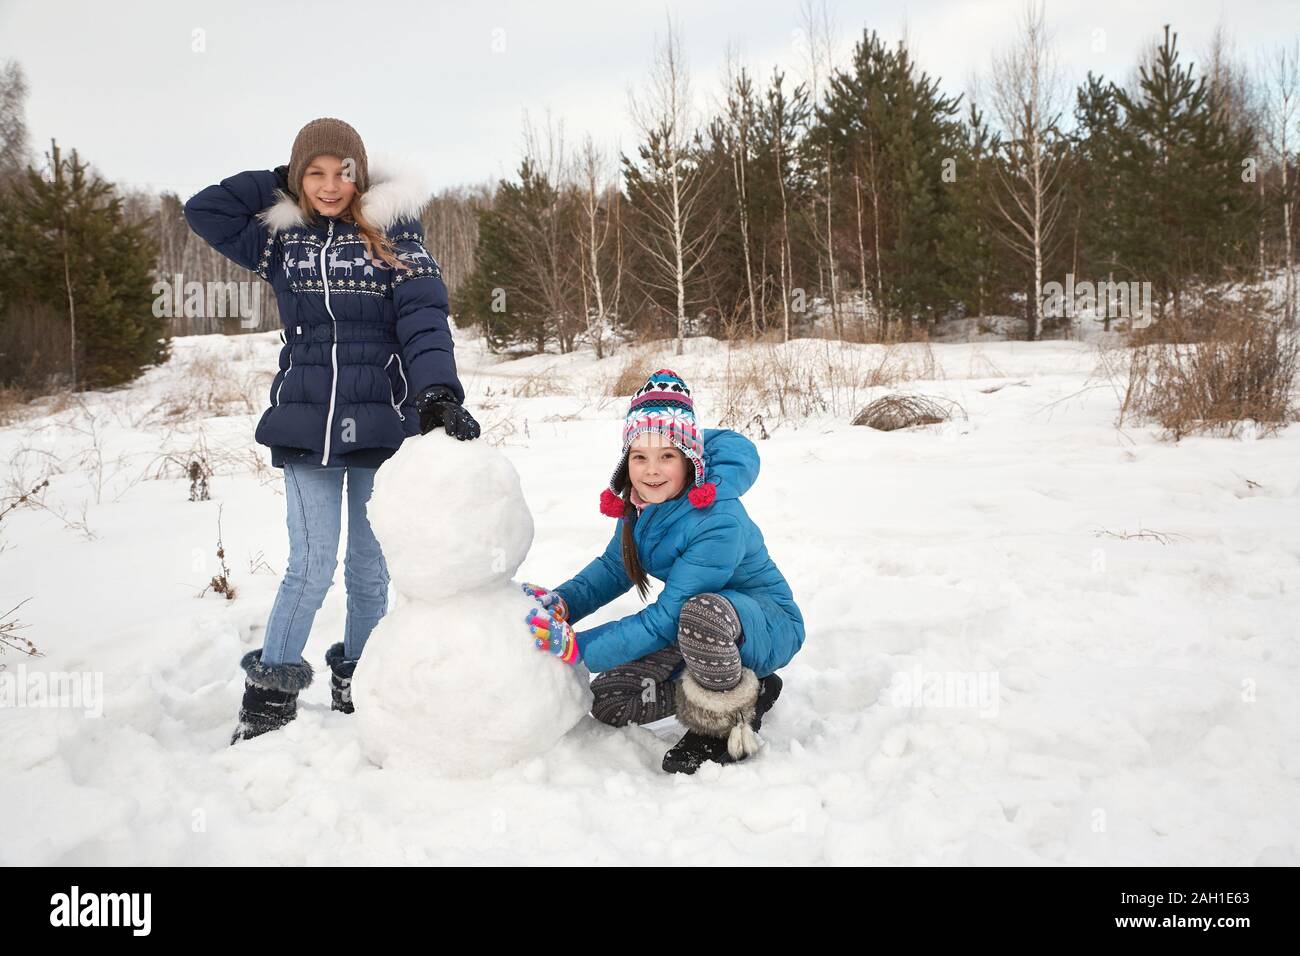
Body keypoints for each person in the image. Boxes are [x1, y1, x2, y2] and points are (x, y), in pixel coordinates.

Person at [183, 117, 481, 744]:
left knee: (370, 567)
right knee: (311, 564)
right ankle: (270, 691)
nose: (327, 185)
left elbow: (424, 317)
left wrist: (436, 393)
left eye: (340, 171)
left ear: (360, 174)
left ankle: (361, 679)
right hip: (306, 420)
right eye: (312, 173)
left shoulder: (395, 234)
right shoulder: (280, 240)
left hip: (382, 419)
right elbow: (204, 208)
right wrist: (282, 179)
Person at [527, 369, 805, 774]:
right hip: (695, 630)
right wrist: (562, 604)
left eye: (667, 456)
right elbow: (613, 568)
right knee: (610, 701)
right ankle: (742, 683)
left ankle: (725, 720)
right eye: (640, 456)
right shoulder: (642, 506)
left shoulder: (718, 519)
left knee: (700, 611)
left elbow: (668, 618)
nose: (651, 470)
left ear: (689, 459)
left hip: (762, 623)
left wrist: (578, 647)